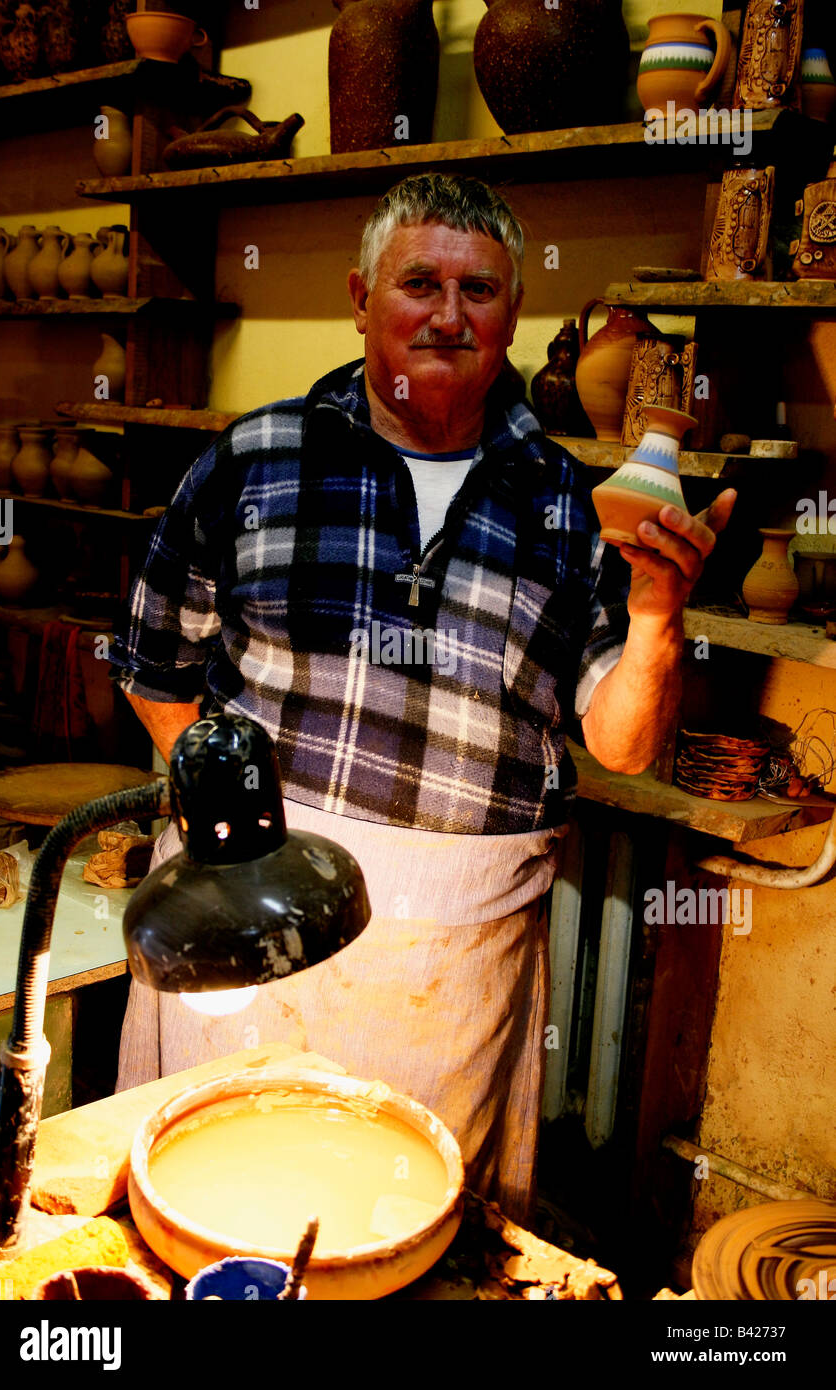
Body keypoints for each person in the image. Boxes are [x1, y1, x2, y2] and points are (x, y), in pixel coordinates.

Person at [108, 173, 734, 1226]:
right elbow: (153, 661)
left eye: (478, 290)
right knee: (210, 1219)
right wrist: (224, 839)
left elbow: (621, 746)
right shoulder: (254, 458)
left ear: (513, 316)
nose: (448, 315)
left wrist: (657, 616)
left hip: (457, 957)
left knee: (408, 1236)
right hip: (249, 915)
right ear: (361, 298)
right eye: (419, 284)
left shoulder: (561, 503)